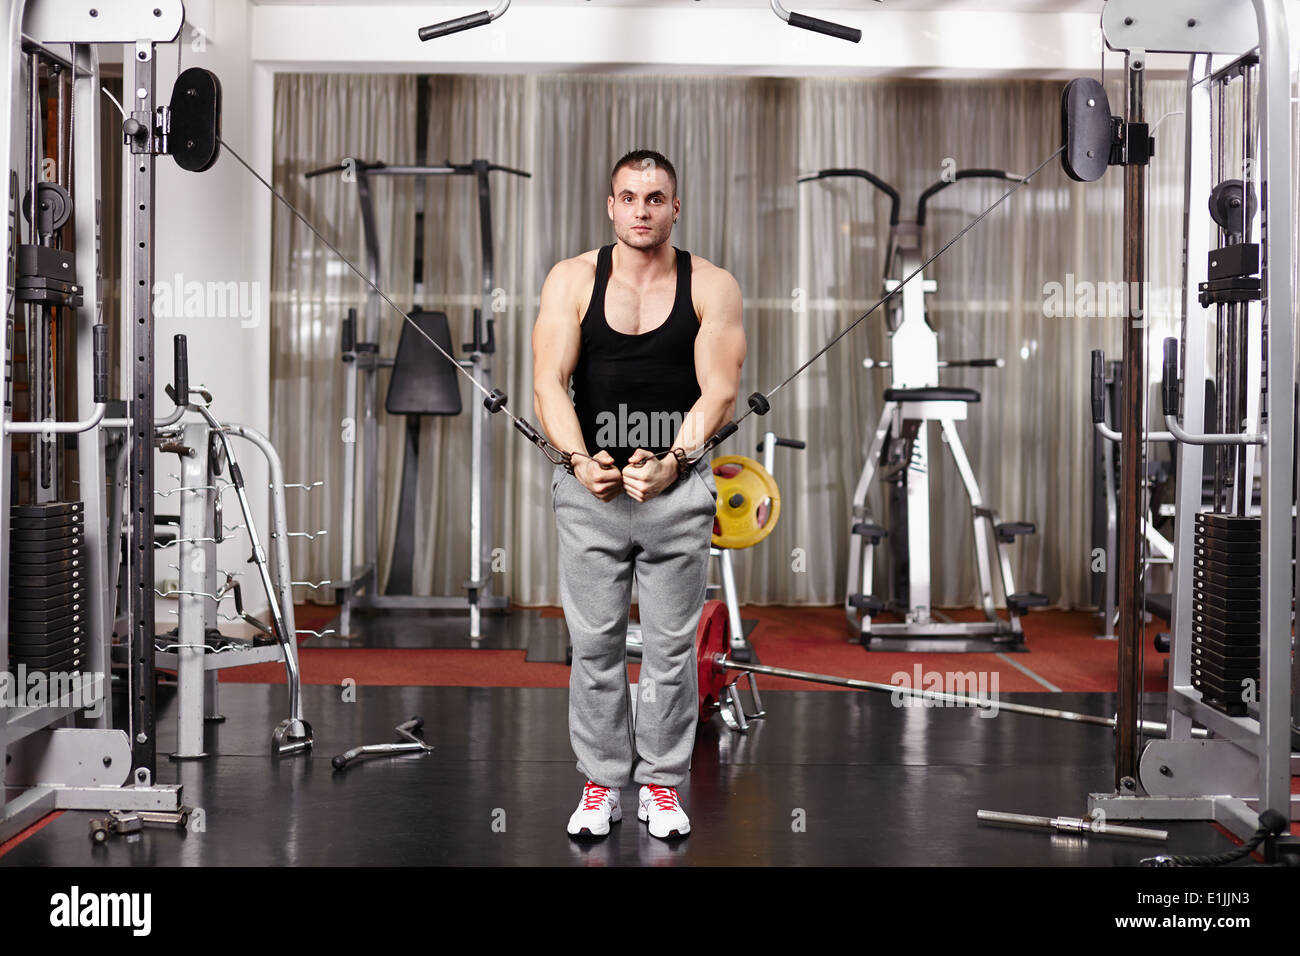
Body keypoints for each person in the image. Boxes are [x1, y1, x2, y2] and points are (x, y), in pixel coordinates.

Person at [532, 149, 746, 839]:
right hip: (589, 492)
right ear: (611, 205)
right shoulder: (571, 279)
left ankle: (660, 786)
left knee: (668, 653)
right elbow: (547, 383)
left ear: (674, 207)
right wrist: (575, 457)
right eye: (629, 197)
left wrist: (677, 461)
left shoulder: (712, 285)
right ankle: (600, 785)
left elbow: (719, 390)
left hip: (675, 495)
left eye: (655, 198)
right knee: (593, 648)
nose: (641, 210)